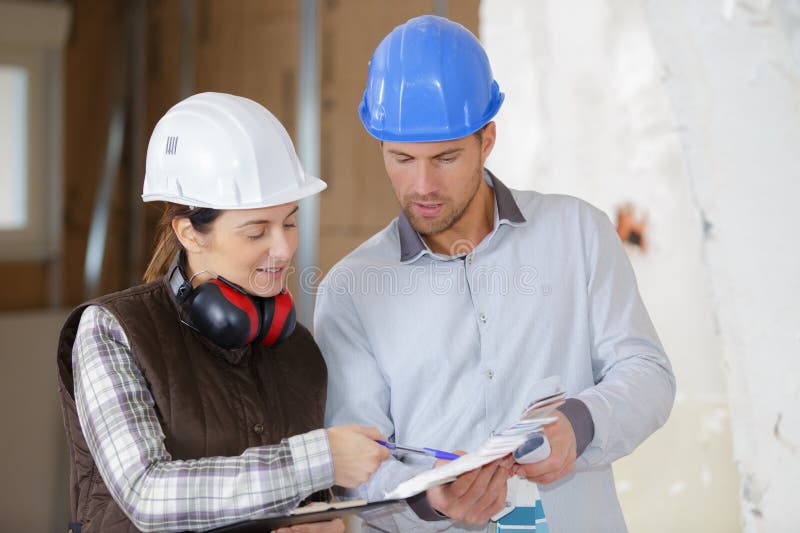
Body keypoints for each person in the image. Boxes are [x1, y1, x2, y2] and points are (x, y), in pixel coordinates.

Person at [314, 15, 676, 532]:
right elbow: (356, 465)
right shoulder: (350, 291)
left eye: (445, 157)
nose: (422, 184)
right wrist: (427, 498)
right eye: (401, 158)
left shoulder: (579, 232)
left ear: (488, 139)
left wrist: (581, 423)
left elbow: (647, 373)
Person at [56, 92, 390, 533]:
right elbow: (146, 493)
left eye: (289, 222)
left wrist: (332, 522)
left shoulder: (298, 350)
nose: (284, 248)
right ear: (190, 233)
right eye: (257, 231)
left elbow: (310, 499)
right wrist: (320, 459)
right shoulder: (113, 333)